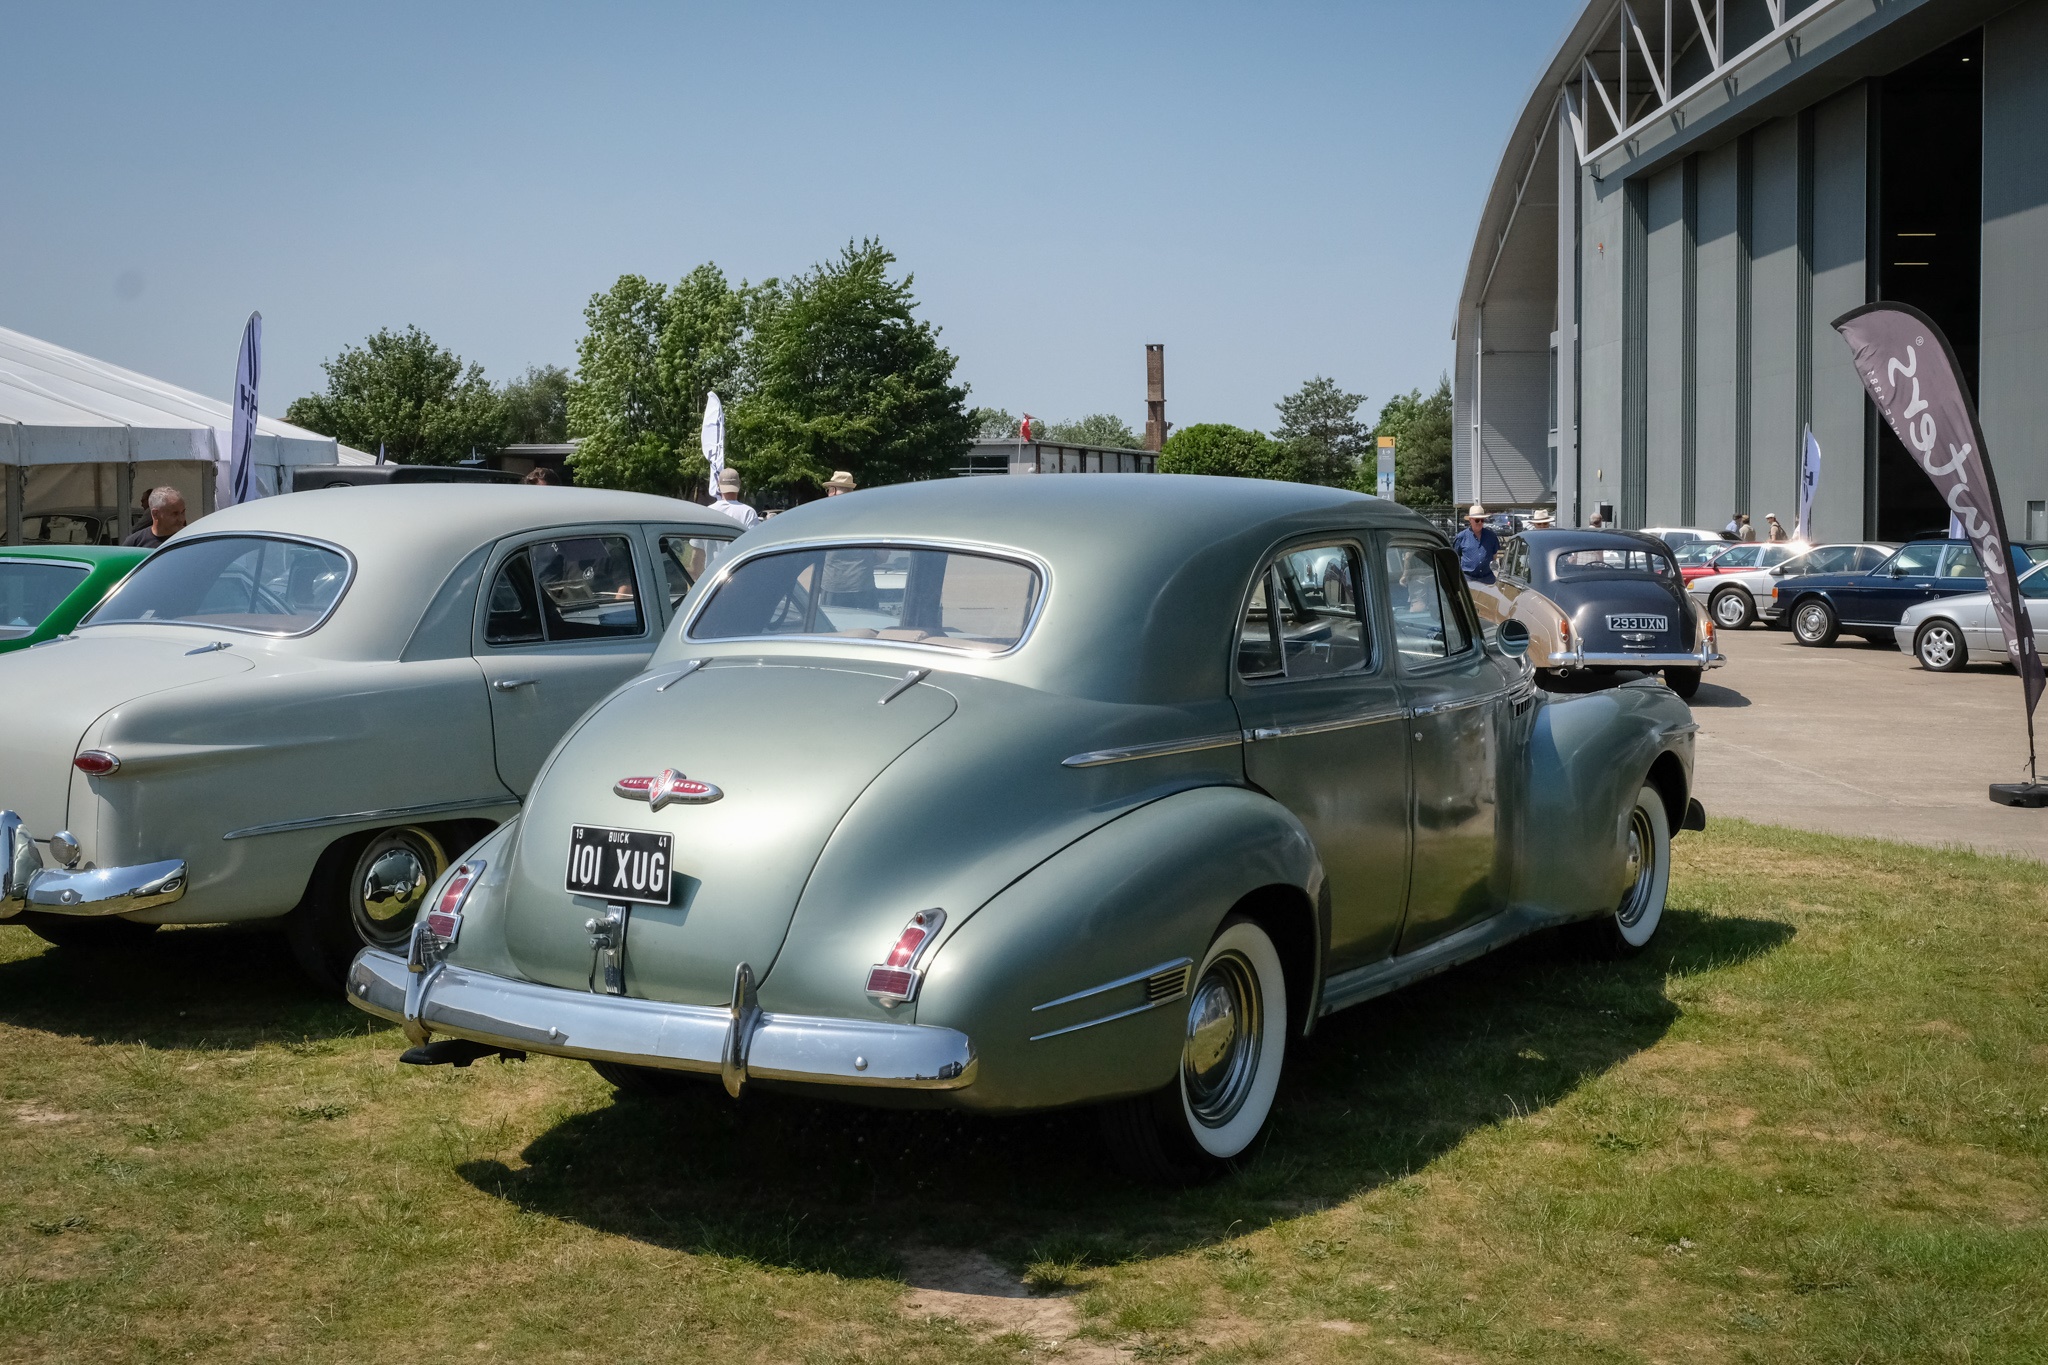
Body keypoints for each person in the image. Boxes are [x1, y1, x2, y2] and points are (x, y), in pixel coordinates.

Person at [1453, 503, 1500, 585]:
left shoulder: (1491, 536)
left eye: (1482, 520)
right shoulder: (1461, 537)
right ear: (1470, 520)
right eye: (1477, 520)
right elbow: (1455, 558)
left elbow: (1494, 556)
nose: (1480, 523)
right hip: (1468, 579)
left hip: (1488, 579)